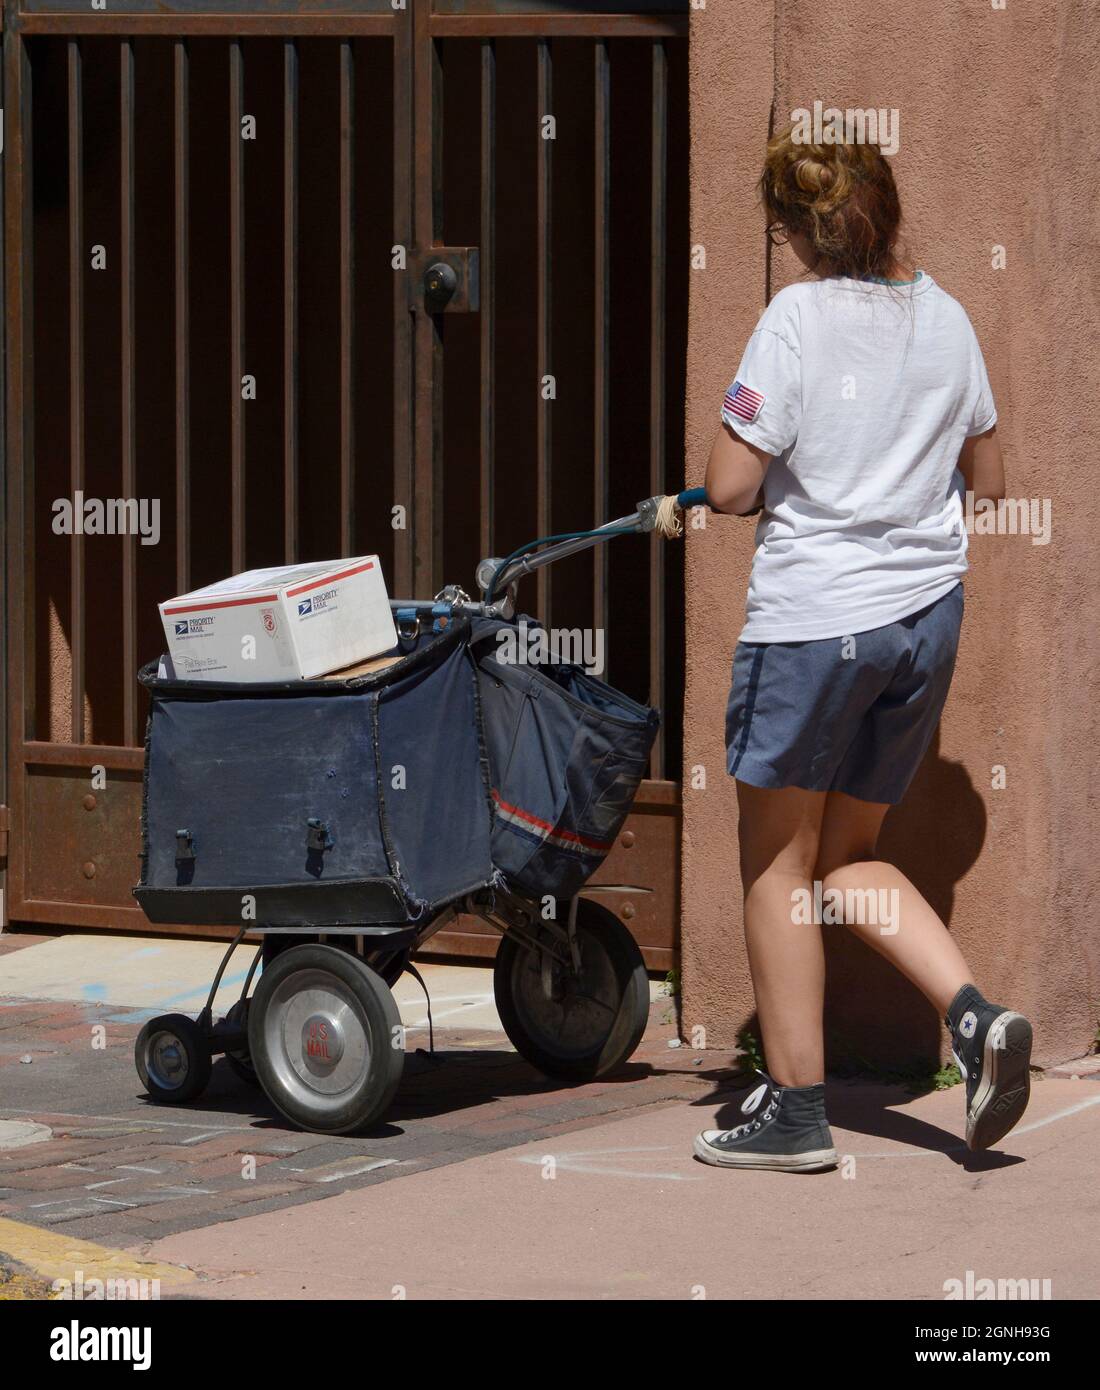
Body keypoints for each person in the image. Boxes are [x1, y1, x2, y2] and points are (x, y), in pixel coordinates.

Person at [693, 127, 1031, 1172]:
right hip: (920, 618)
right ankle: (972, 1020)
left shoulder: (792, 319)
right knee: (847, 855)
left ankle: (794, 1112)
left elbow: (730, 486)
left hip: (811, 623)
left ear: (797, 231)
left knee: (778, 866)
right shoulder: (947, 318)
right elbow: (993, 478)